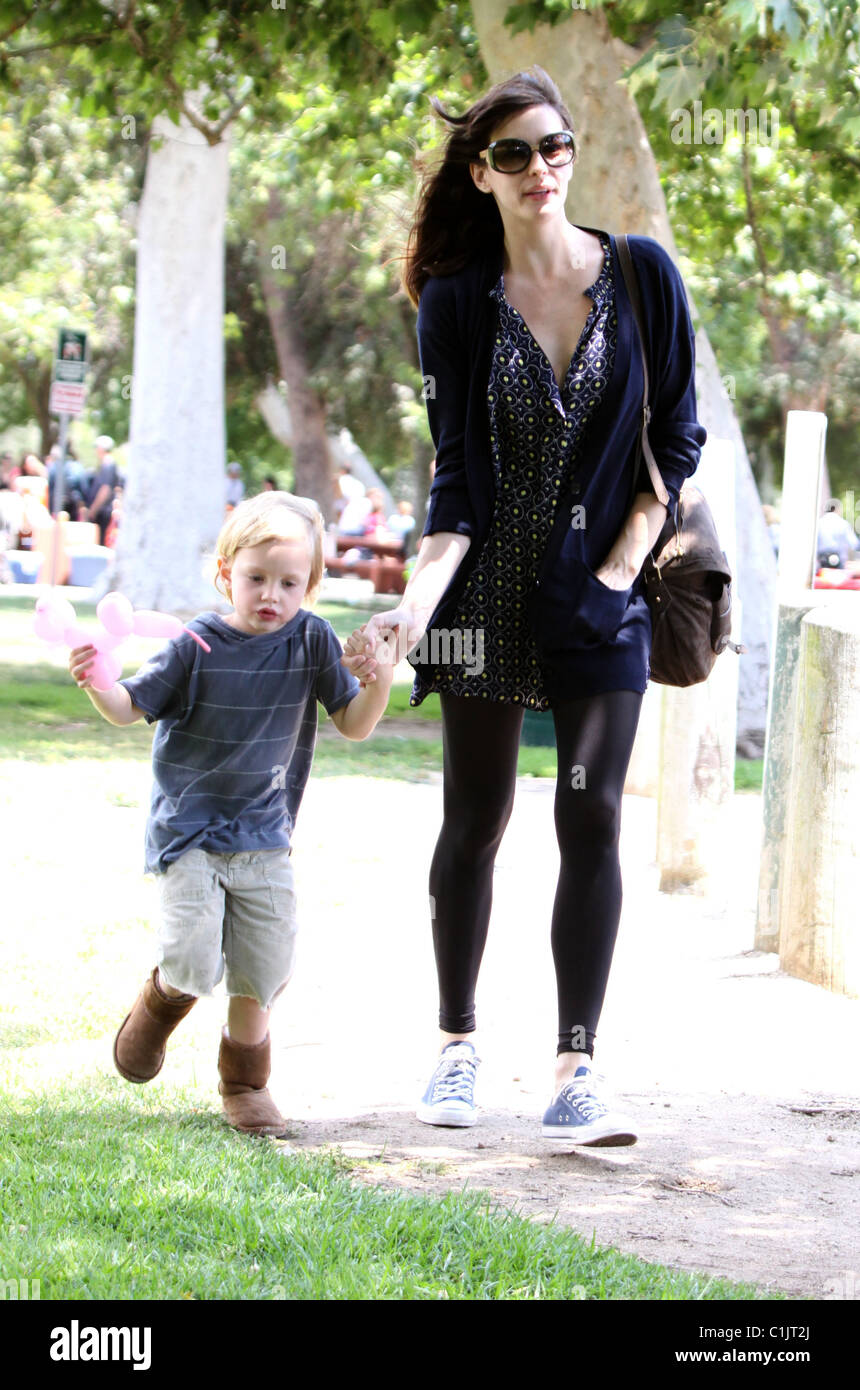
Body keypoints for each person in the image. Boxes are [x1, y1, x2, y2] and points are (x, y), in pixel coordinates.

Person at [345, 67, 706, 1146]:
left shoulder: (642, 277)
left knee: (588, 812)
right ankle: (456, 1046)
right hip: (484, 597)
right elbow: (452, 483)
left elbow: (673, 446)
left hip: (601, 602)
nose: (538, 168)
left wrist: (611, 574)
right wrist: (414, 608)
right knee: (475, 818)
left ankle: (574, 1065)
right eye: (512, 154)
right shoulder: (456, 301)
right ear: (480, 173)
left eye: (551, 147)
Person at [68, 492, 394, 1136]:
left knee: (264, 965)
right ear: (225, 575)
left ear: (311, 585)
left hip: (266, 838)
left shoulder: (311, 640)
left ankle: (245, 1084)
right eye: (255, 578)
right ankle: (160, 1004)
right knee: (191, 957)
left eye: (288, 582)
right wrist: (98, 683)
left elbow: (354, 725)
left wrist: (379, 679)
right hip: (189, 831)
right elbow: (129, 707)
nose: (271, 593)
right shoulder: (197, 644)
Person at [87, 436, 122, 543]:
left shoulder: (108, 464)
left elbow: (105, 489)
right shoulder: (107, 464)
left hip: (103, 512)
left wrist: (93, 509)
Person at [816, 499, 858, 570]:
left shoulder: (818, 523)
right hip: (839, 561)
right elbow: (854, 544)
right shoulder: (844, 524)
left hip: (822, 561)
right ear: (837, 509)